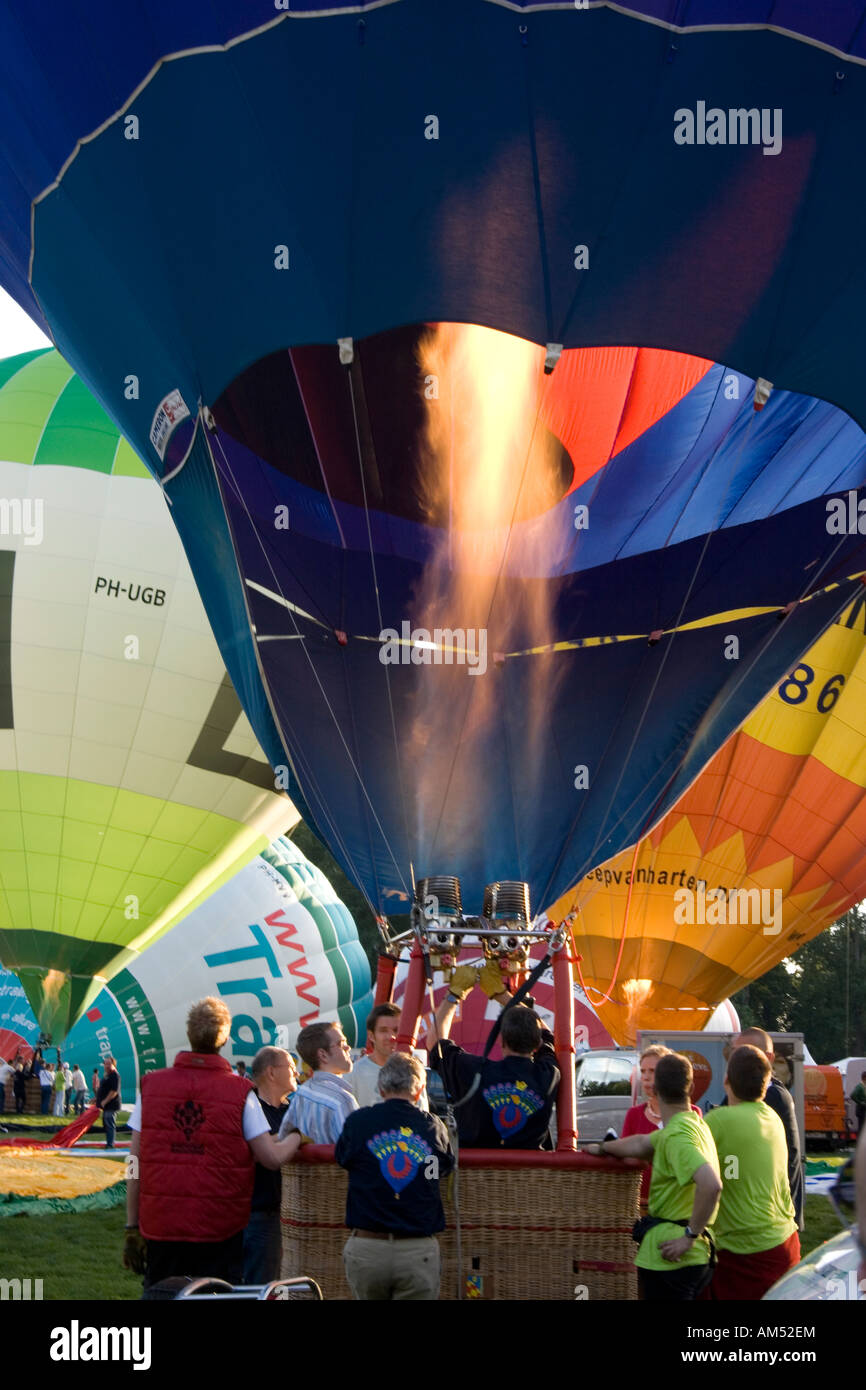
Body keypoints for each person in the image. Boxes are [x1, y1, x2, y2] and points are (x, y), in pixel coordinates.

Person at [123, 998, 301, 1296]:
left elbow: (133, 1162)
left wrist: (131, 1226)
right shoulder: (241, 1092)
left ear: (189, 1034)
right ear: (225, 1039)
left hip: (162, 1224)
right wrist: (296, 1135)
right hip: (220, 1229)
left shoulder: (151, 1086)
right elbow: (270, 1158)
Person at [590, 1052, 721, 1301]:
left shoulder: (676, 1136)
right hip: (693, 1257)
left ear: (656, 1089)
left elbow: (711, 1184)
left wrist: (689, 1236)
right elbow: (640, 1144)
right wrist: (604, 1148)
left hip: (670, 1256)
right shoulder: (693, 1124)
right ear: (691, 1087)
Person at [335, 1052, 454, 1300]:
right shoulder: (433, 1127)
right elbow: (436, 1172)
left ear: (381, 1086)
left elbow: (344, 1159)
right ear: (420, 1089)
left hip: (368, 1247)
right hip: (417, 1250)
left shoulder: (358, 1123)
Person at [703, 1044, 799, 1299]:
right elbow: (736, 1167)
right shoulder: (772, 1117)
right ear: (766, 1084)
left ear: (726, 1081)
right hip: (784, 1244)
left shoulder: (718, 1121)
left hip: (742, 1253)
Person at [427, 966, 559, 1149]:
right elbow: (548, 1035)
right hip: (531, 1175)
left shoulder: (472, 1072)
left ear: (502, 1041)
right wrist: (502, 994)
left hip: (476, 1174)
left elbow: (435, 1043)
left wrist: (454, 994)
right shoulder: (548, 1075)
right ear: (537, 1044)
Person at [721, 1027, 803, 1225]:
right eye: (735, 1053)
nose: (736, 1061)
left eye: (745, 1053)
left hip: (771, 1217)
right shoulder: (742, 1094)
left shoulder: (773, 1096)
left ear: (768, 1057)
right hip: (761, 1216)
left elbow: (733, 1153)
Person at [242, 1046, 299, 1285]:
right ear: (272, 1073)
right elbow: (255, 1153)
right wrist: (296, 1136)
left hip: (287, 1215)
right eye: (291, 1067)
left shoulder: (291, 1110)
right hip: (258, 1214)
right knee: (259, 1286)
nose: (296, 1072)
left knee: (281, 1283)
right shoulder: (250, 1107)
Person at [277, 1021, 358, 1146]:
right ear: (323, 1055)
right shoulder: (341, 1100)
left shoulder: (301, 1095)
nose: (348, 1047)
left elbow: (283, 1138)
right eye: (341, 1044)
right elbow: (355, 1152)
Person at [348, 1002, 429, 1111]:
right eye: (383, 1030)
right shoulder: (354, 1074)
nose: (391, 1037)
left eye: (396, 1030)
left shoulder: (414, 1073)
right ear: (371, 1036)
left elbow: (422, 1114)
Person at [96, 1055, 121, 1148]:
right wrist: (96, 1099)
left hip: (111, 1105)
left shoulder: (115, 1075)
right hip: (106, 1105)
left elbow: (114, 1091)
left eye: (109, 1064)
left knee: (110, 1124)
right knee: (106, 1124)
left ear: (113, 1064)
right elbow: (104, 1089)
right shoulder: (107, 1075)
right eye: (105, 1064)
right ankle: (108, 1143)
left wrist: (105, 1101)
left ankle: (110, 1144)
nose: (106, 1066)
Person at [850, 1070, 866, 1135]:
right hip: (861, 1110)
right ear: (864, 1078)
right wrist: (860, 1102)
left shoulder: (864, 1086)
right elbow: (853, 1095)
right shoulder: (860, 1086)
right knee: (861, 1127)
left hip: (863, 1109)